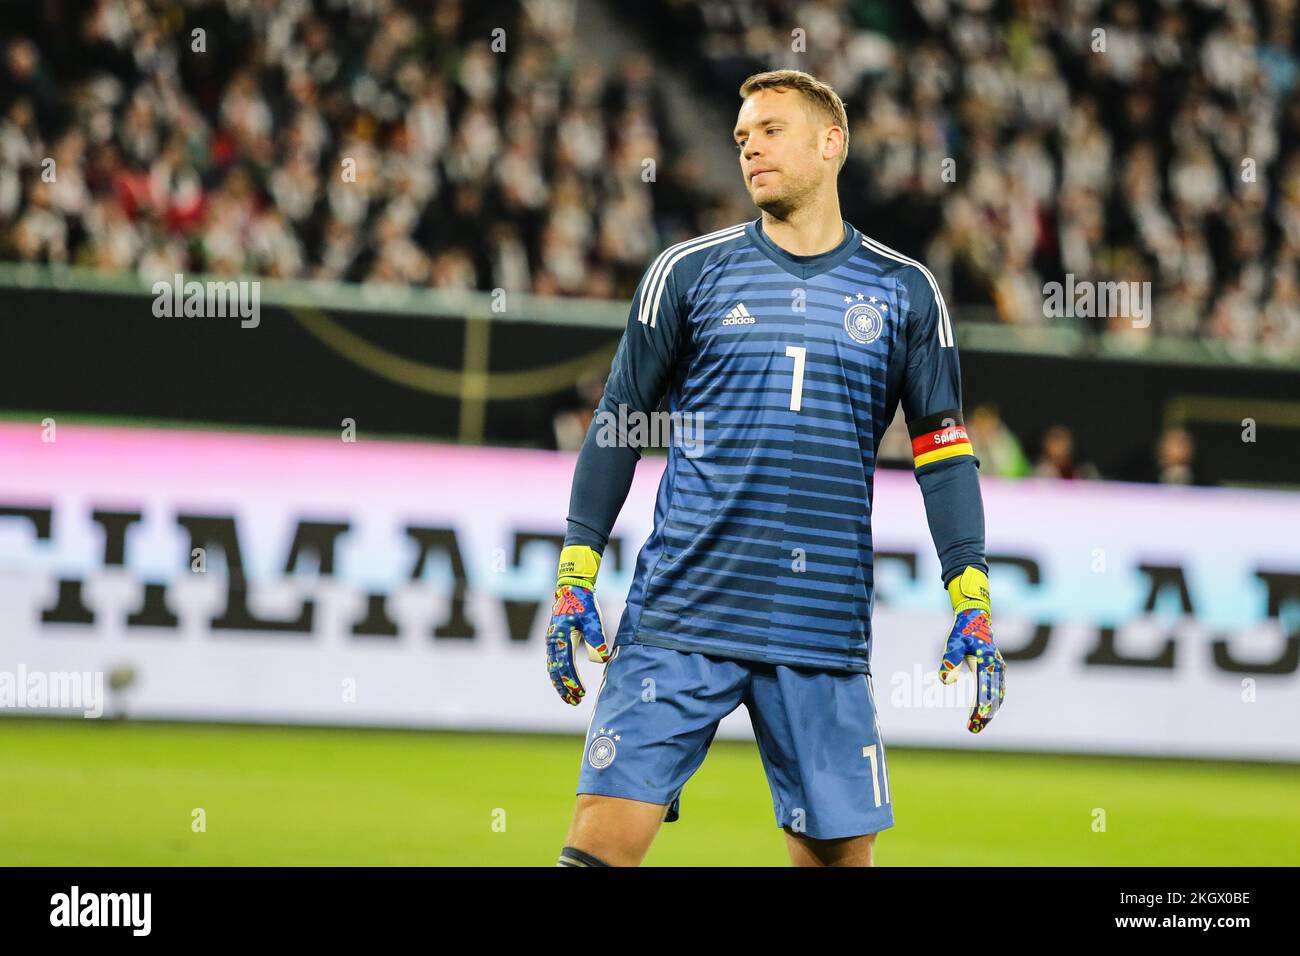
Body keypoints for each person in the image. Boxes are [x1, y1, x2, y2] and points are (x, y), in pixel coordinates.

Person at [544, 70, 1005, 868]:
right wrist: (575, 571)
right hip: (683, 611)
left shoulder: (905, 291)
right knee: (600, 847)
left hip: (820, 624)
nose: (749, 145)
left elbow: (944, 455)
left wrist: (971, 595)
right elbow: (618, 427)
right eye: (741, 135)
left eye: (770, 129)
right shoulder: (686, 273)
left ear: (833, 144)